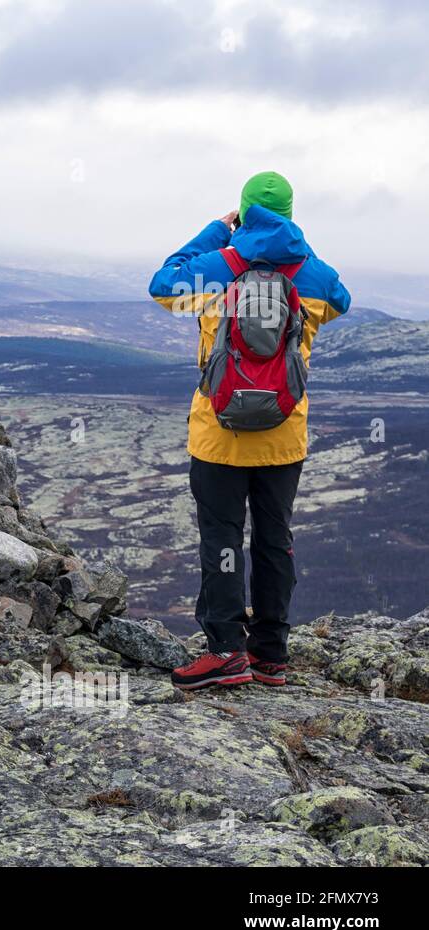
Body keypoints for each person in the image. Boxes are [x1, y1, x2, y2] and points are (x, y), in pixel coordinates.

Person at [149, 171, 351, 690]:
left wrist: (219, 231)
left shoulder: (220, 267)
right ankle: (270, 655)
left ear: (242, 211)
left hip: (218, 432)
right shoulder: (313, 275)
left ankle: (224, 652)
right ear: (289, 213)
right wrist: (295, 246)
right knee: (273, 539)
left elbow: (163, 283)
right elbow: (341, 298)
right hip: (284, 433)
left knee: (221, 538)